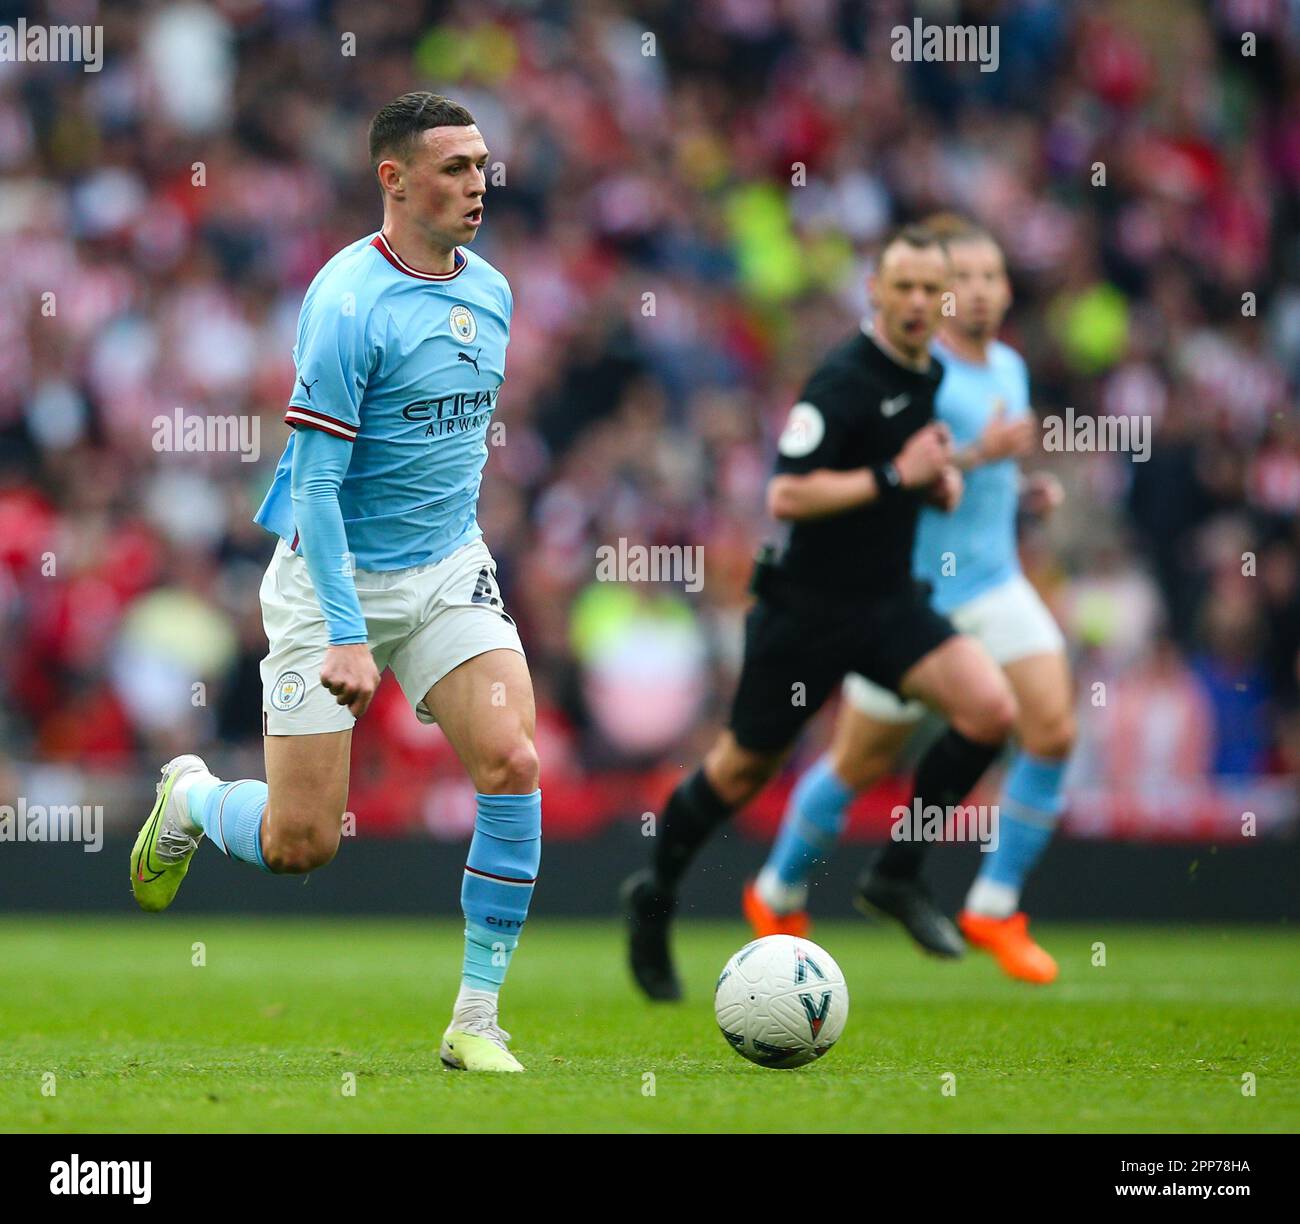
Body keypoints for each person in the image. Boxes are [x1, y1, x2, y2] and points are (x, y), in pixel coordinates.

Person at [130, 92, 541, 1072]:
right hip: (329, 580)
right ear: (393, 178)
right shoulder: (346, 302)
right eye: (453, 167)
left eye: (482, 164)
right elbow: (313, 489)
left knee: (513, 764)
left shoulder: (492, 290)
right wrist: (350, 633)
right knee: (300, 845)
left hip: (446, 568)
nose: (477, 183)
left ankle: (476, 1020)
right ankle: (190, 799)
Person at [622, 224, 1017, 1001]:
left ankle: (897, 873)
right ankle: (654, 898)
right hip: (805, 610)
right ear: (873, 291)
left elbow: (904, 466)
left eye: (924, 290)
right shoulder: (841, 379)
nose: (912, 302)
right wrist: (896, 476)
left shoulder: (929, 371)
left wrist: (941, 477)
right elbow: (787, 493)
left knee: (989, 711)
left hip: (886, 602)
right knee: (741, 770)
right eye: (897, 286)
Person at [746, 217, 1074, 984]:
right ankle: (775, 888)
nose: (983, 291)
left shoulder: (1011, 369)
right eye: (967, 278)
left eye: (996, 275)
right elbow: (905, 472)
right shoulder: (923, 375)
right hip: (911, 593)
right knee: (860, 761)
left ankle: (994, 904)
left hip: (994, 581)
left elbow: (975, 480)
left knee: (1052, 729)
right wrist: (977, 454)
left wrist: (1023, 489)